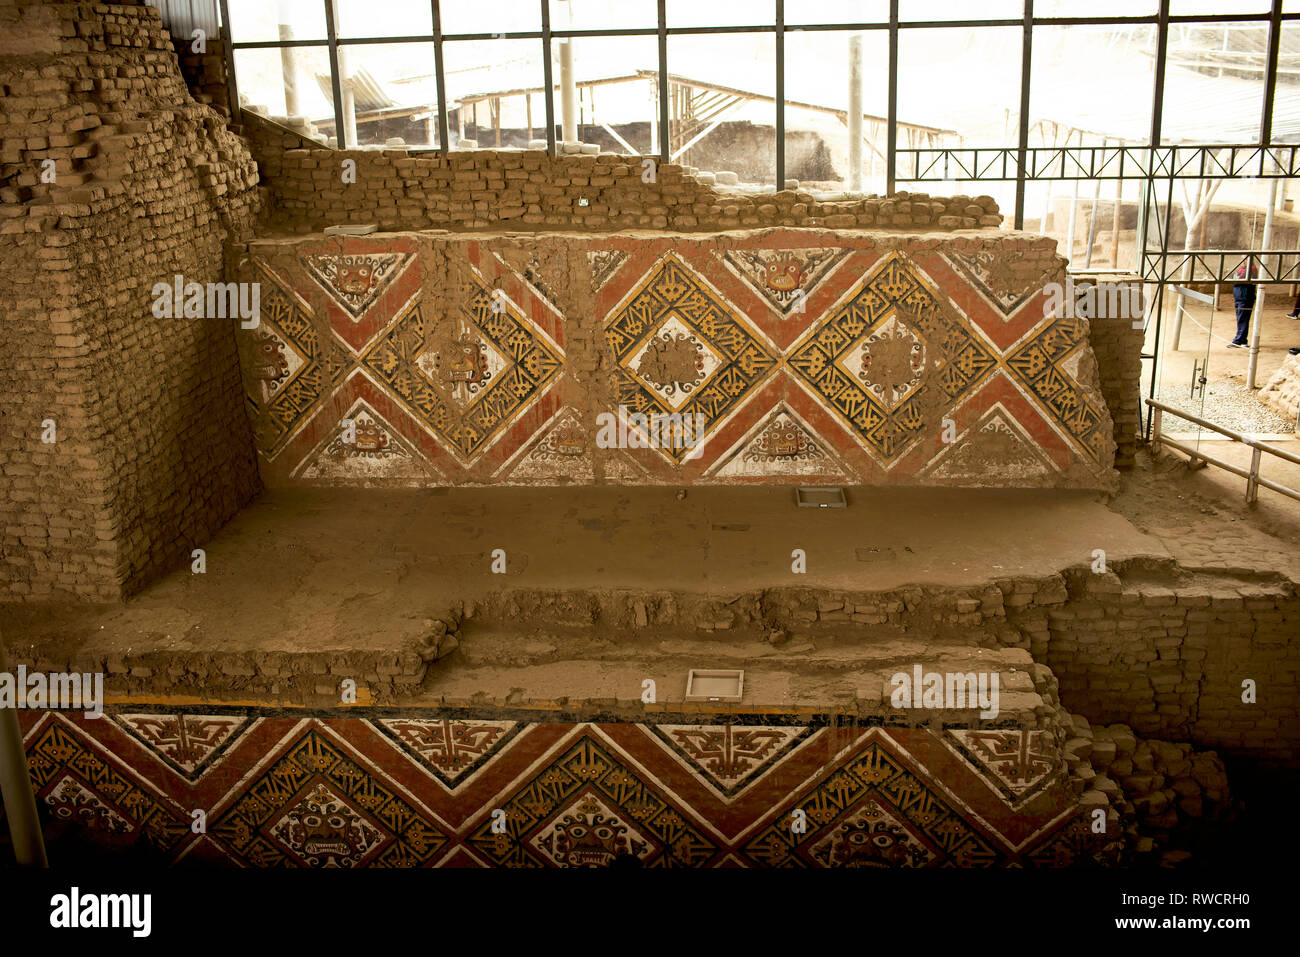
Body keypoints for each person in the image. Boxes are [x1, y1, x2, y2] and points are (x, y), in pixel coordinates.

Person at [1229, 260, 1259, 348]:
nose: (1242, 261)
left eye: (1244, 259)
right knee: (1240, 319)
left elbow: (1239, 280)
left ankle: (1239, 340)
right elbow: (1233, 278)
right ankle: (1242, 340)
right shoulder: (1242, 269)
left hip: (1245, 298)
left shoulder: (1251, 269)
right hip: (1239, 297)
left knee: (1243, 319)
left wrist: (1235, 279)